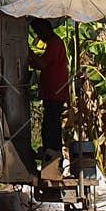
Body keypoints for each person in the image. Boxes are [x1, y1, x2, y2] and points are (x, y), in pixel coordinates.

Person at [28, 17, 70, 166]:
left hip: (55, 92)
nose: (38, 35)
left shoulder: (54, 43)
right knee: (49, 125)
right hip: (51, 92)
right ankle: (50, 154)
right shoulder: (52, 43)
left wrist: (28, 51)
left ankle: (53, 155)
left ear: (44, 29)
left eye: (38, 32)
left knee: (51, 127)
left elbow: (43, 64)